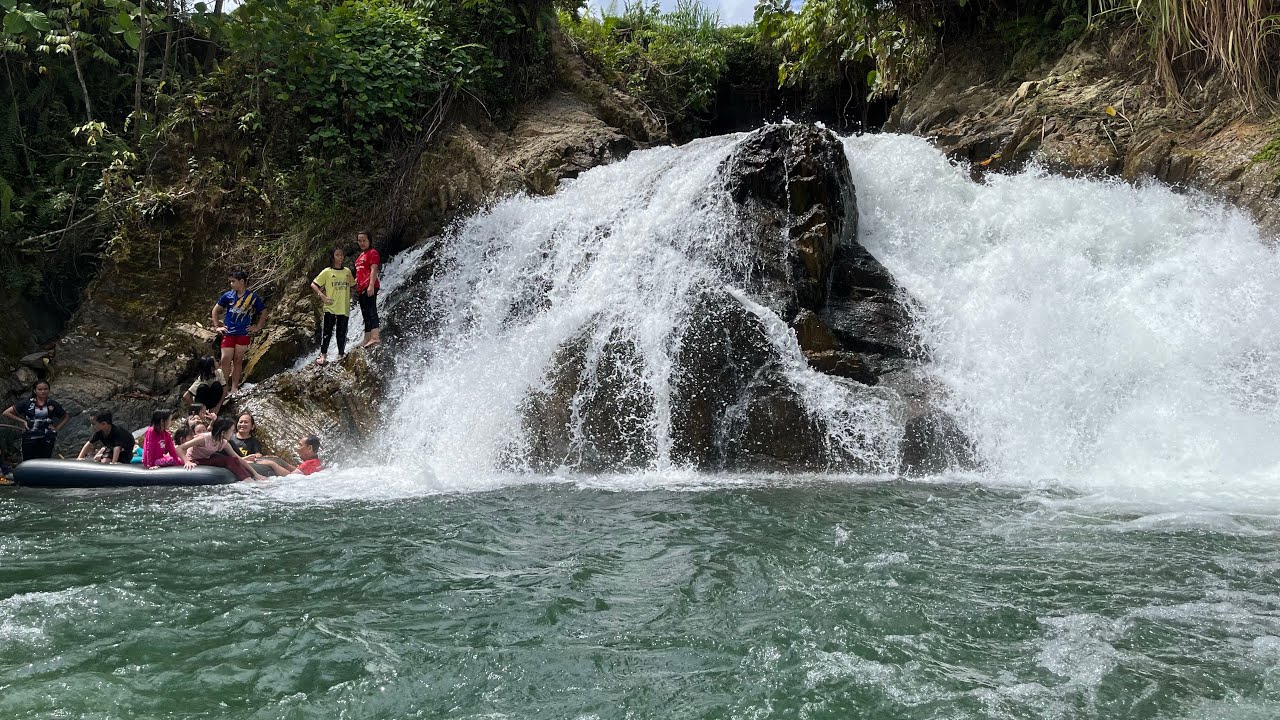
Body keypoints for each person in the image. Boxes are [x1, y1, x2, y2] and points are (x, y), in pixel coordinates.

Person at [212, 269, 269, 394]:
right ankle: (223, 388)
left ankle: (234, 388)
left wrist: (257, 327)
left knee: (238, 360)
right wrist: (217, 326)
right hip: (228, 333)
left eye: (233, 281)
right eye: (230, 282)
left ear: (241, 281)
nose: (231, 284)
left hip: (243, 333)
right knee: (225, 359)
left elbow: (263, 312)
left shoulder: (252, 297)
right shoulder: (228, 296)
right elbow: (215, 310)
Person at [176, 417, 267, 481]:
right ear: (223, 432)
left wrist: (256, 474)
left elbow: (237, 458)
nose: (233, 434)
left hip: (206, 458)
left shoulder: (223, 442)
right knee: (227, 460)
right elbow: (180, 448)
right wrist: (187, 461)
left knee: (233, 459)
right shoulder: (204, 439)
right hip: (195, 460)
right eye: (231, 431)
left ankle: (249, 479)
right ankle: (247, 481)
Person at [3, 380, 70, 461]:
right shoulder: (27, 403)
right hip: (29, 437)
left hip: (47, 437)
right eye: (40, 389)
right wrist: (22, 421)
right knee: (28, 461)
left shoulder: (52, 403)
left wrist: (57, 429)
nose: (43, 391)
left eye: (46, 389)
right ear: (35, 391)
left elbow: (66, 416)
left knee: (45, 461)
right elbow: (6, 413)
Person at [311, 246, 356, 365]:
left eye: (341, 255)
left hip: (343, 306)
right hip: (330, 306)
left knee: (342, 332)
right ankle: (323, 354)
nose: (340, 257)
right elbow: (314, 284)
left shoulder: (347, 271)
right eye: (337, 255)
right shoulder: (327, 272)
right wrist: (322, 295)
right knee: (327, 331)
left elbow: (353, 285)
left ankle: (341, 354)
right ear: (332, 257)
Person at [354, 231, 381, 349]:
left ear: (369, 240)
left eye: (364, 240)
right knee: (365, 314)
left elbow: (374, 270)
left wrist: (371, 285)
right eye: (359, 241)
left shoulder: (372, 253)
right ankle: (367, 338)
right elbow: (359, 273)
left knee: (371, 311)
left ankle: (375, 337)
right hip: (361, 289)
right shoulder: (360, 256)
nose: (362, 243)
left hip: (370, 286)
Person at [255, 435, 324, 476]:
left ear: (309, 448)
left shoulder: (307, 464)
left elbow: (290, 477)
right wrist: (281, 462)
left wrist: (272, 464)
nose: (297, 448)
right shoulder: (316, 462)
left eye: (300, 445)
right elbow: (299, 471)